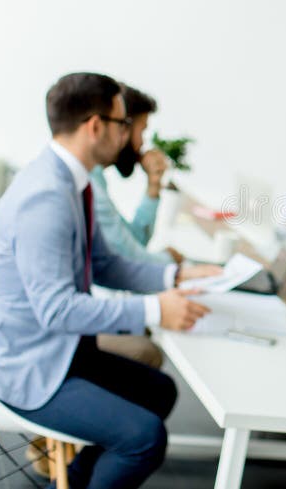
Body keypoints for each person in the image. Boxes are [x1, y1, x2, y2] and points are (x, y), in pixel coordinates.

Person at [0, 72, 220, 489]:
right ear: (95, 126)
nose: (128, 136)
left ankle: (67, 483)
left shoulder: (75, 182)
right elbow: (57, 309)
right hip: (19, 361)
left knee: (159, 392)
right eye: (124, 124)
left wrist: (174, 274)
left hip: (55, 347)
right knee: (144, 438)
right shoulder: (46, 196)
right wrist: (156, 308)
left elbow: (104, 263)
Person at [90, 83, 182, 369]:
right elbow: (127, 256)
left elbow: (130, 242)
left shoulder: (97, 180)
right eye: (142, 129)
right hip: (87, 312)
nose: (143, 143)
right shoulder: (89, 184)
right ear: (121, 128)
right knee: (149, 349)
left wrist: (153, 187)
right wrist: (174, 267)